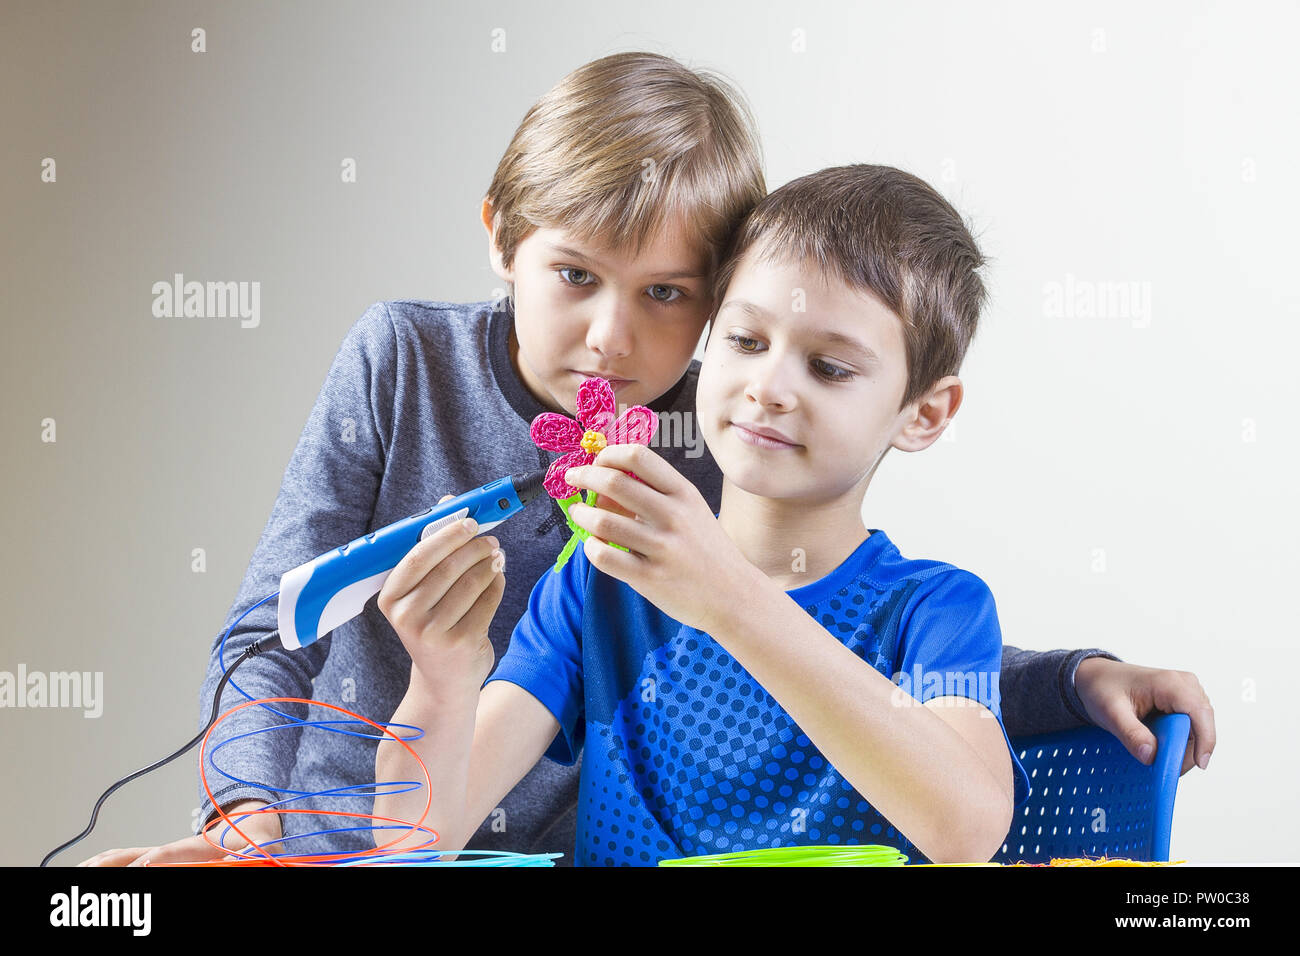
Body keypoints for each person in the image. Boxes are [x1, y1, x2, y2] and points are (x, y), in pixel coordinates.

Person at [78, 54, 1213, 868]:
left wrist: (1067, 678)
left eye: (669, 296)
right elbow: (344, 734)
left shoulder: (760, 490)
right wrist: (296, 783)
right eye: (576, 275)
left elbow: (888, 686)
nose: (616, 340)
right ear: (503, 240)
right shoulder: (439, 400)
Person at [369, 164, 1189, 865]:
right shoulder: (598, 582)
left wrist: (730, 598)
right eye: (745, 341)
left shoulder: (935, 609)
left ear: (924, 414)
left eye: (830, 367)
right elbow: (413, 840)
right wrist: (441, 680)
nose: (768, 386)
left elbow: (966, 826)